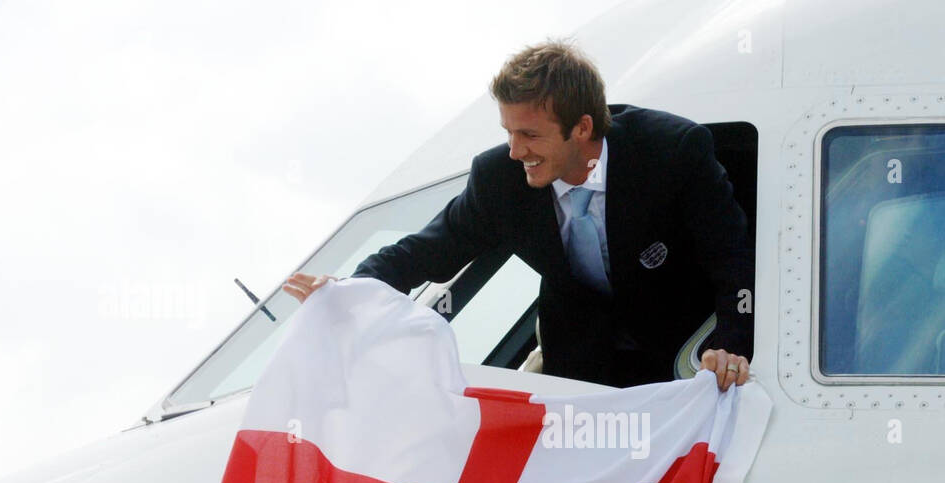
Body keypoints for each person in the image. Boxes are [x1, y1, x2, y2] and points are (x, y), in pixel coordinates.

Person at [283, 39, 754, 391]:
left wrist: (731, 343)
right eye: (508, 132)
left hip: (685, 351)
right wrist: (350, 291)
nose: (514, 151)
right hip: (580, 370)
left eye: (529, 134)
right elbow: (427, 250)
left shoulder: (672, 150)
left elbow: (731, 255)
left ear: (582, 127)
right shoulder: (499, 179)